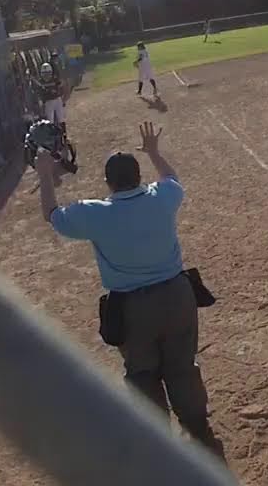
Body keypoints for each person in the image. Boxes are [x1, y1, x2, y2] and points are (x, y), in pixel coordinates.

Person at [37, 122, 223, 457]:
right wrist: (154, 151)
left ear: (109, 183)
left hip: (133, 310)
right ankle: (199, 431)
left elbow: (51, 213)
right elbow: (173, 180)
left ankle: (159, 445)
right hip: (178, 297)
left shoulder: (96, 213)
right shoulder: (161, 197)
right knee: (182, 366)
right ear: (139, 176)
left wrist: (45, 175)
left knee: (142, 374)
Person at [35, 62, 66, 131]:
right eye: (44, 74)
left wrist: (59, 93)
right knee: (50, 121)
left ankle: (64, 135)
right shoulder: (40, 82)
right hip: (48, 102)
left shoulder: (55, 79)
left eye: (48, 73)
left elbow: (61, 87)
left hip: (57, 100)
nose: (46, 76)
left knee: (61, 118)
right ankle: (53, 138)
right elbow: (39, 94)